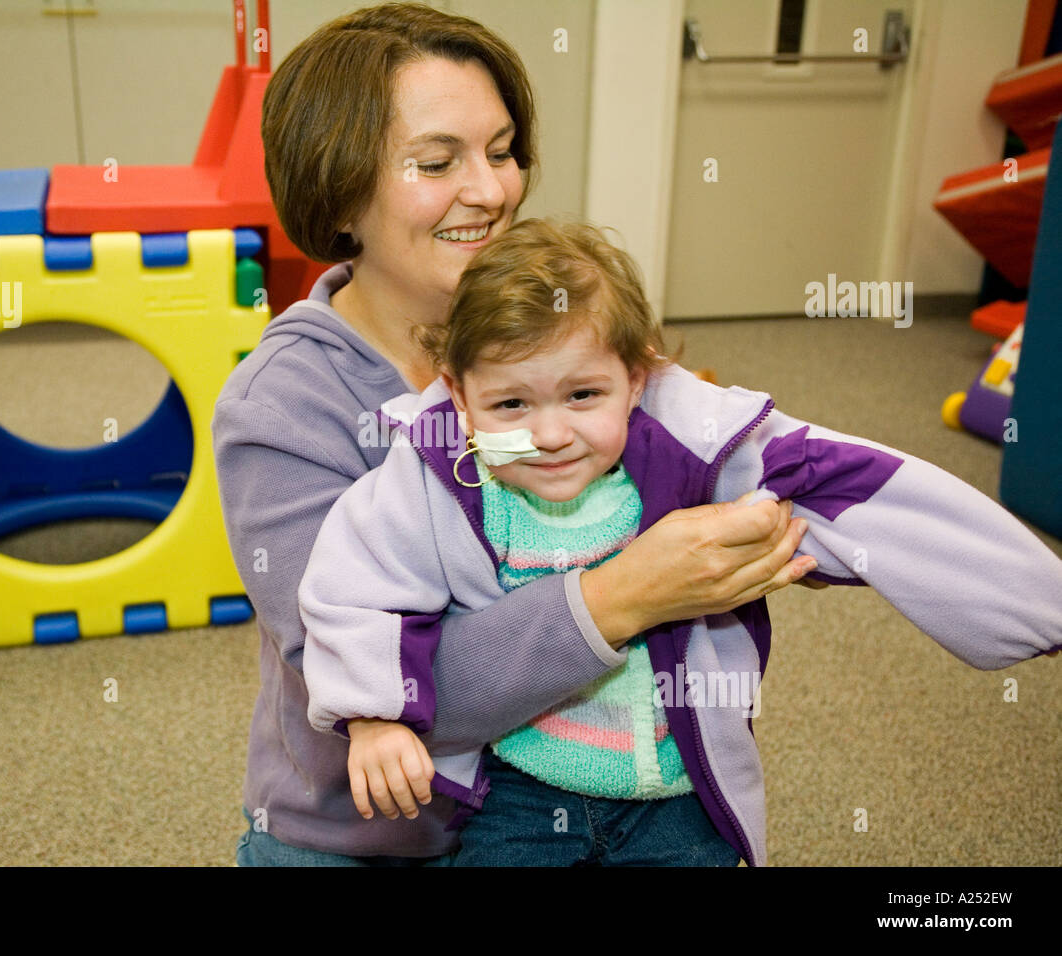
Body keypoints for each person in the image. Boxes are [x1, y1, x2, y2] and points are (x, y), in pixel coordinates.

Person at [213, 3, 816, 867]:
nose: (493, 190)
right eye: (437, 162)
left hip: (576, 811)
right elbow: (372, 681)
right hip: (369, 840)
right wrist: (626, 595)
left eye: (501, 152)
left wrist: (768, 536)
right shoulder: (281, 409)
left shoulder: (552, 332)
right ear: (340, 191)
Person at [298, 216, 1062, 867]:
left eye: (584, 394)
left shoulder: (692, 458)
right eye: (510, 403)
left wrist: (1039, 603)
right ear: (460, 398)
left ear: (637, 378)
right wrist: (372, 714)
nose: (551, 434)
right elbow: (354, 585)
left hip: (678, 792)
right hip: (524, 794)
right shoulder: (445, 477)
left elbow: (862, 493)